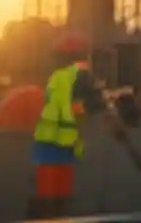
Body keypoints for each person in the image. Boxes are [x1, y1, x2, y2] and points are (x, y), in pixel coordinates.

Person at [27, 31, 121, 219]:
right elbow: (89, 106)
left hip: (47, 143)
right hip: (62, 143)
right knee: (58, 198)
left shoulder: (54, 79)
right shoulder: (79, 76)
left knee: (48, 197)